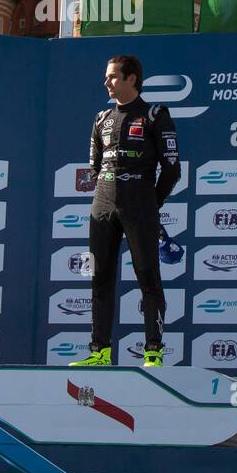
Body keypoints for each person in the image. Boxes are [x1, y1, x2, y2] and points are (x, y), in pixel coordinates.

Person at [70, 55, 180, 368]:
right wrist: (109, 188)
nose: (106, 82)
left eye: (113, 77)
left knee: (148, 277)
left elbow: (172, 170)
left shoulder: (155, 114)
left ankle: (152, 351)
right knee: (99, 277)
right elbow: (94, 166)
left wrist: (150, 202)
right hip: (102, 204)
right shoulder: (100, 118)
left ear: (132, 79)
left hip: (140, 203)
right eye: (107, 77)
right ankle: (99, 352)